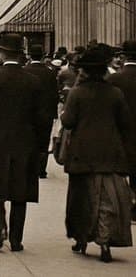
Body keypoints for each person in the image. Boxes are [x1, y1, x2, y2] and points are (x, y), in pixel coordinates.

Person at [0, 34, 48, 253]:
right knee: (20, 192)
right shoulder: (33, 81)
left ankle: (0, 226)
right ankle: (16, 239)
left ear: (2, 54)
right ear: (20, 55)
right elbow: (41, 117)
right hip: (25, 142)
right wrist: (41, 146)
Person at [62, 43, 133, 263]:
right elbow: (125, 123)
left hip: (82, 152)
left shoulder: (77, 93)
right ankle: (105, 241)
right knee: (106, 199)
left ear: (84, 70)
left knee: (82, 198)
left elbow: (68, 121)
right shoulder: (115, 93)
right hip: (109, 152)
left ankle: (81, 238)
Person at [104, 40, 136, 220]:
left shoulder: (114, 79)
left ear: (124, 57)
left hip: (121, 132)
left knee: (121, 172)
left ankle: (125, 205)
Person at [24, 43, 59, 178]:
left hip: (28, 113)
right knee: (43, 141)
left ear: (29, 56)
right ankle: (41, 169)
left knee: (28, 140)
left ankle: (29, 167)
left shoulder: (25, 71)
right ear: (43, 56)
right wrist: (53, 113)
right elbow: (54, 94)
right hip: (45, 113)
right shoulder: (50, 73)